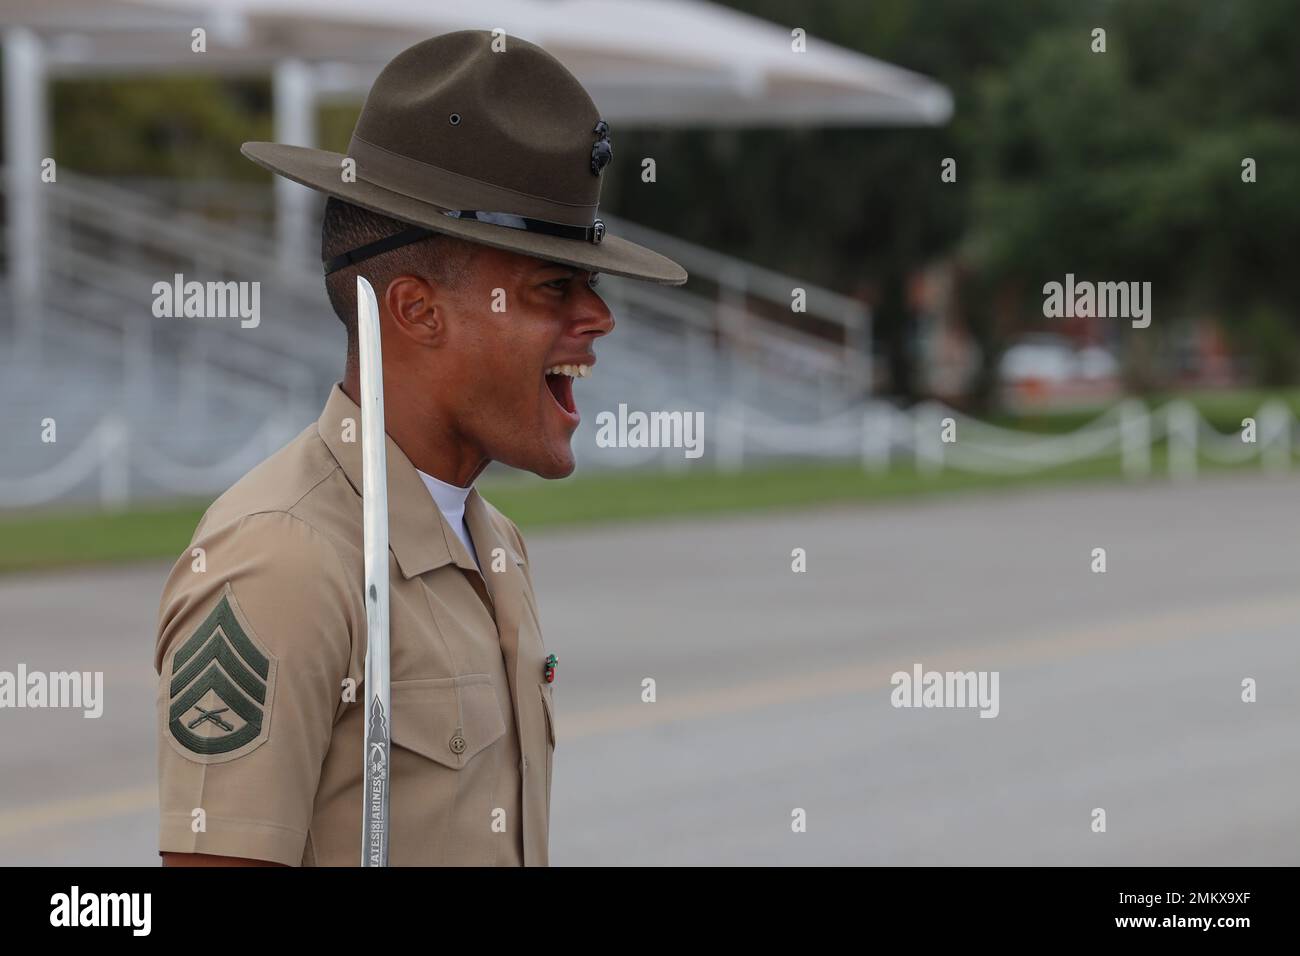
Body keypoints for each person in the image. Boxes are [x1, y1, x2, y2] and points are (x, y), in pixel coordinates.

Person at [154, 29, 686, 866]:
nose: (599, 319)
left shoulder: (494, 544)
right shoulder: (281, 562)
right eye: (555, 287)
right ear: (416, 312)